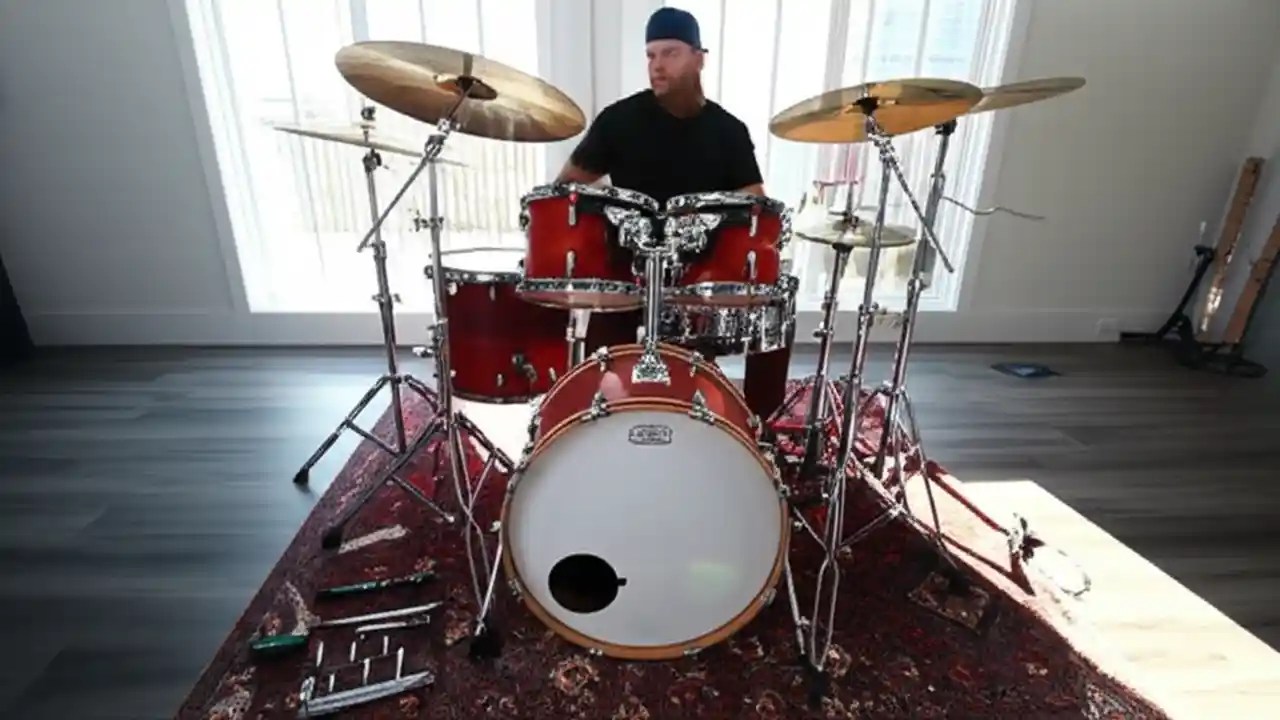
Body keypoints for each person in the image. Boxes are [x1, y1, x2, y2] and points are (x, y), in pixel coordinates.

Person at [556, 7, 765, 203]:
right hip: (624, 243)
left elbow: (758, 215)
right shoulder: (617, 121)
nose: (657, 66)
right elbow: (562, 190)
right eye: (651, 56)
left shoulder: (730, 133)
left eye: (670, 53)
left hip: (707, 243)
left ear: (699, 60)